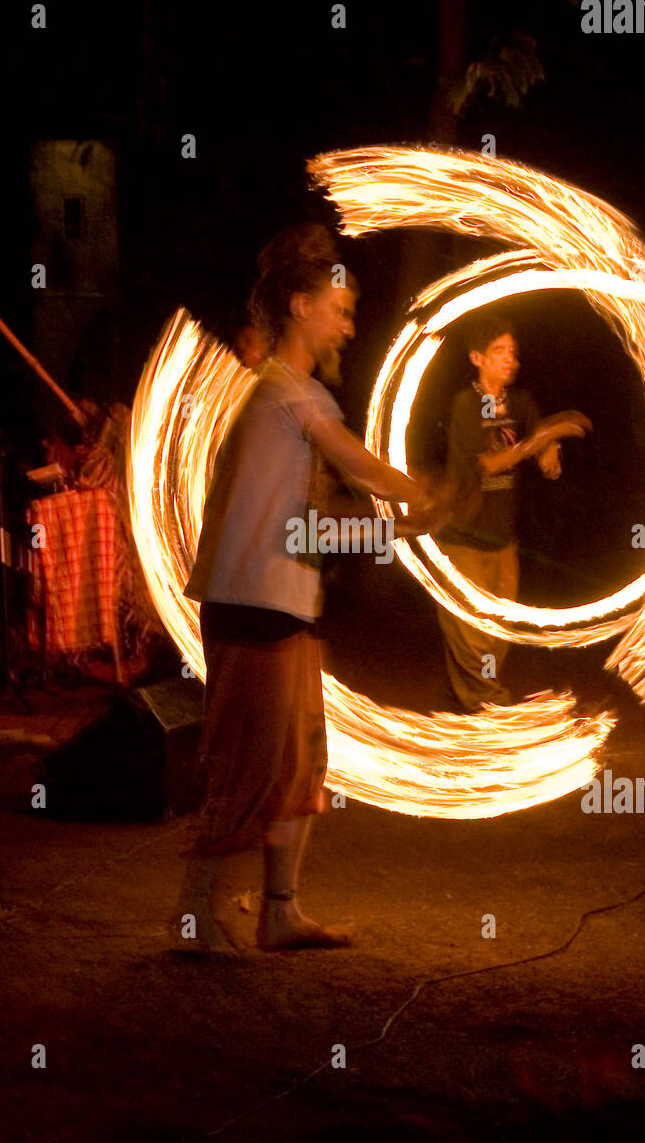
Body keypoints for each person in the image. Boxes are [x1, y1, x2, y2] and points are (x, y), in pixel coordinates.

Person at [171, 223, 444, 957]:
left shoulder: (290, 399)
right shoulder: (289, 396)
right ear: (299, 305)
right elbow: (356, 466)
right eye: (341, 308)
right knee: (248, 765)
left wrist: (400, 533)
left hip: (281, 603)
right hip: (252, 607)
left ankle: (280, 912)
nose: (351, 325)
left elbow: (309, 531)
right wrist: (416, 493)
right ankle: (195, 916)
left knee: (301, 765)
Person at [435, 314, 591, 710]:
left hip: (502, 536)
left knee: (498, 628)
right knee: (471, 632)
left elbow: (536, 437)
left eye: (513, 352)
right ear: (476, 358)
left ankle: (471, 703)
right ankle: (488, 706)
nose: (510, 360)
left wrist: (548, 451)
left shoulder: (520, 402)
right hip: (463, 533)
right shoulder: (465, 405)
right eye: (499, 352)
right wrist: (541, 438)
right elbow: (488, 463)